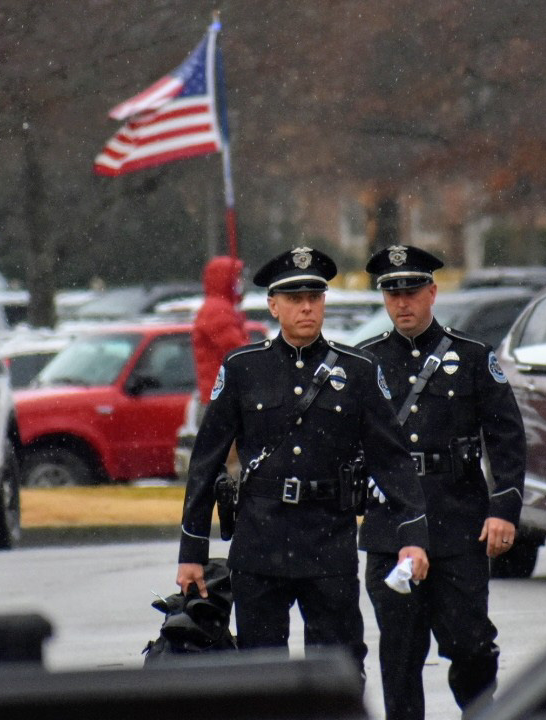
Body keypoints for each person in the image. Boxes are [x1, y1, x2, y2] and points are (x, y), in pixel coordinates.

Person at [177, 246, 430, 677]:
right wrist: (192, 551)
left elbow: (391, 459)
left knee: (338, 671)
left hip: (328, 540)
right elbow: (207, 461)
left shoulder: (358, 370)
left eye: (315, 297)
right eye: (294, 299)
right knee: (261, 675)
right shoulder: (243, 367)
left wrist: (413, 534)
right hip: (260, 541)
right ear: (273, 306)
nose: (307, 307)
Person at [357, 245, 526, 720]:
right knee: (400, 652)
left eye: (411, 292)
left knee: (470, 643)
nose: (402, 302)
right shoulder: (365, 362)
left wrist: (504, 508)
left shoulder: (471, 357)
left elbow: (506, 437)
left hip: (457, 519)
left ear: (432, 293)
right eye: (392, 294)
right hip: (391, 525)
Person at [192, 255, 249, 409]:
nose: (240, 282)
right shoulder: (218, 310)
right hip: (221, 396)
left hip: (219, 393)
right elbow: (238, 350)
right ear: (226, 279)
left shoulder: (219, 307)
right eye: (237, 277)